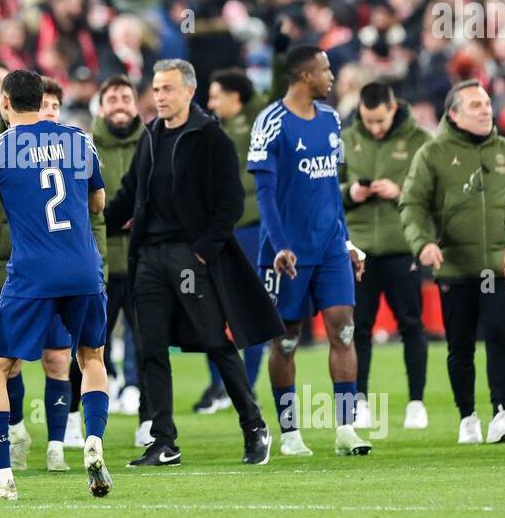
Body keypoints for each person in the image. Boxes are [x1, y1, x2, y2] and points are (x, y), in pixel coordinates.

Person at [106, 59, 279, 468]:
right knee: (150, 348)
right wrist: (91, 224)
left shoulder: (210, 137)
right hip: (147, 257)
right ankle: (163, 440)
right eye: (156, 89)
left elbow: (231, 201)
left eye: (167, 89)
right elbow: (129, 195)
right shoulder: (149, 137)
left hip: (189, 258)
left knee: (215, 343)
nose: (159, 97)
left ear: (189, 91)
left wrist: (203, 249)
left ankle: (254, 426)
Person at [0, 68, 113, 499]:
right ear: (42, 99)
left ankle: (3, 479)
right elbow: (99, 203)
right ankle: (92, 441)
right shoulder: (79, 141)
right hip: (84, 269)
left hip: (32, 274)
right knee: (91, 358)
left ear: (5, 102)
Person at [248, 47, 371, 457]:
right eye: (325, 69)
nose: (331, 76)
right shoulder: (270, 123)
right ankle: (289, 433)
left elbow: (330, 193)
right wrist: (280, 244)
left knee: (345, 328)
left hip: (330, 247)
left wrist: (347, 240)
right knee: (286, 339)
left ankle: (346, 429)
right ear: (305, 76)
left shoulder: (332, 120)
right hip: (287, 253)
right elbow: (264, 193)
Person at [400, 79, 505, 445]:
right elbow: (412, 204)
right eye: (475, 105)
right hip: (455, 268)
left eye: (487, 102)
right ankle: (468, 416)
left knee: (501, 335)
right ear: (454, 113)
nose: (486, 109)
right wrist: (422, 242)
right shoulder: (432, 153)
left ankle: (502, 412)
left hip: (497, 269)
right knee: (460, 345)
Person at [339, 82, 432, 430]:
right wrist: (352, 191)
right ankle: (359, 400)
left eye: (379, 120)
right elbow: (328, 188)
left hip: (402, 246)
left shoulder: (420, 140)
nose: (375, 127)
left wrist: (400, 192)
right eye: (368, 120)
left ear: (393, 109)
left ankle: (416, 403)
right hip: (358, 248)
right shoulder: (347, 139)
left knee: (412, 325)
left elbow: (432, 193)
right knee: (357, 328)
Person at [205, 66, 276, 414]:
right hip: (221, 230)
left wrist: (278, 56)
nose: (210, 102)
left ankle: (245, 383)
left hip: (252, 228)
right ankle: (220, 384)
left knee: (251, 307)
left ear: (235, 96)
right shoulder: (213, 127)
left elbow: (279, 90)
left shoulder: (261, 120)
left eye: (216, 95)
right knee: (212, 308)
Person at [89, 75, 145, 439]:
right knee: (94, 341)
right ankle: (95, 413)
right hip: (100, 263)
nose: (121, 104)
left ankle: (147, 413)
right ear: (101, 105)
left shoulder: (154, 142)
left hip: (145, 261)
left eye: (126, 97)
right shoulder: (85, 146)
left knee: (147, 339)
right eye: (113, 99)